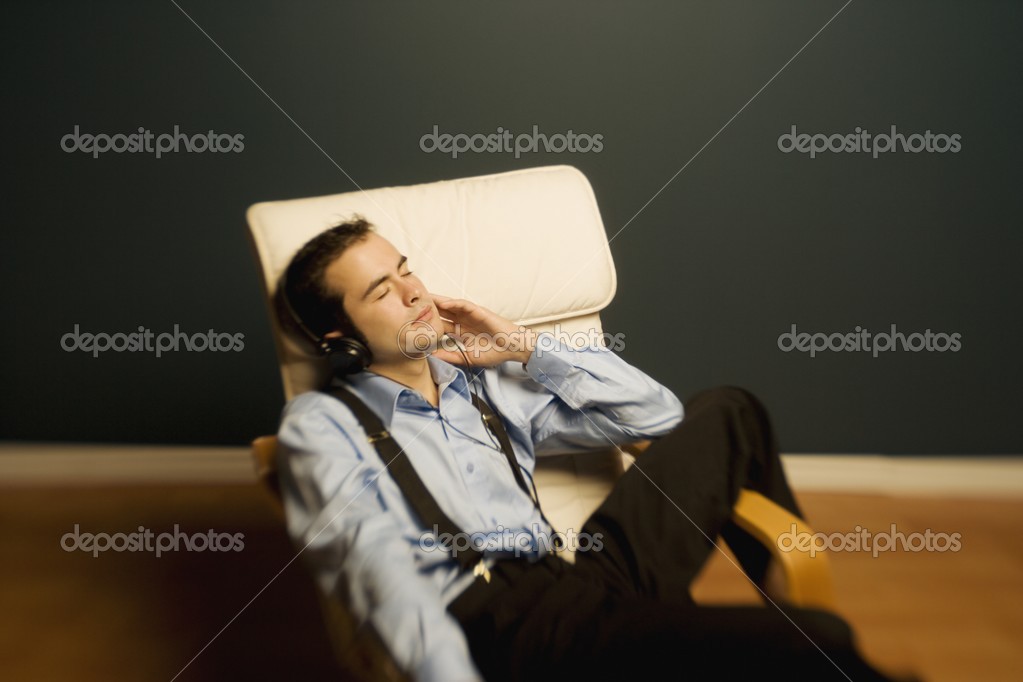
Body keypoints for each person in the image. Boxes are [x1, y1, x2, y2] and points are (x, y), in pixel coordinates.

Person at [275, 217, 910, 682]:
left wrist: (524, 346)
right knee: (821, 645)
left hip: (578, 581)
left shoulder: (486, 383)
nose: (413, 292)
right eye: (381, 291)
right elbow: (375, 567)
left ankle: (778, 603)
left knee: (731, 411)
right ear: (342, 339)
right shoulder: (324, 425)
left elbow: (660, 416)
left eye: (405, 268)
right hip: (503, 625)